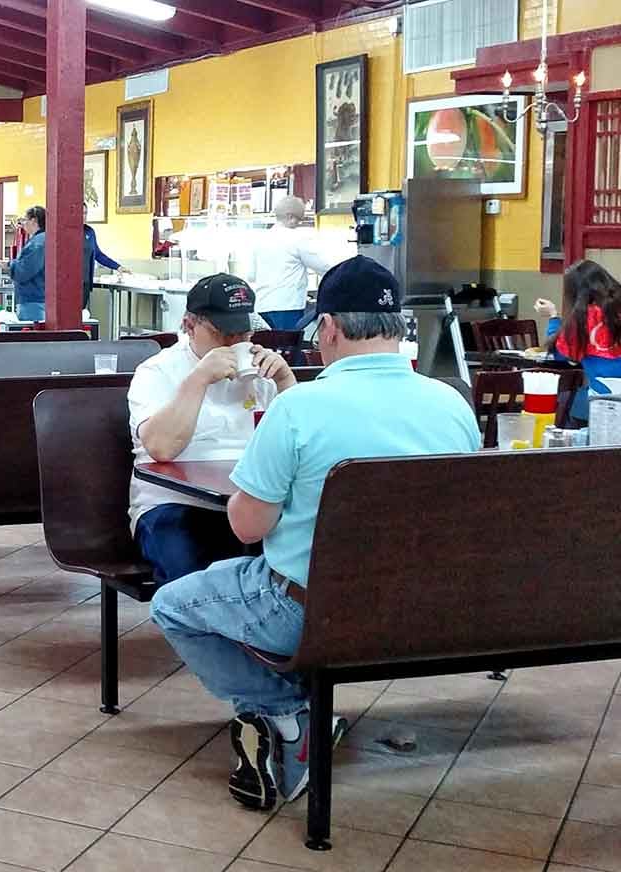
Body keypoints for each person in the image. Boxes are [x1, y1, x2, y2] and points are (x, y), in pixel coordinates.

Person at [151, 255, 482, 812]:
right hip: (430, 610)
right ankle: (300, 717)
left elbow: (246, 525)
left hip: (313, 611)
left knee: (173, 605)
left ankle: (285, 712)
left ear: (326, 328)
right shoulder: (451, 402)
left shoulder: (299, 409)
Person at [128, 273, 297, 586]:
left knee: (301, 563)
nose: (236, 343)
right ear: (189, 325)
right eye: (223, 333)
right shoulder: (156, 372)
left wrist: (286, 383)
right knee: (193, 583)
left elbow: (298, 444)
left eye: (243, 333)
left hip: (251, 503)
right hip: (175, 503)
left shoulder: (262, 374)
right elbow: (161, 448)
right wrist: (199, 379)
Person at [535, 259, 621, 420]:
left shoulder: (583, 318)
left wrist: (553, 317)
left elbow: (562, 354)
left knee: (568, 403)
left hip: (606, 402)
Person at [248, 196, 334, 329]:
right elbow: (323, 267)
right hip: (287, 306)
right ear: (290, 216)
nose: (299, 223)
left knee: (266, 347)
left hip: (262, 305)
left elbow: (251, 275)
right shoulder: (297, 238)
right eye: (299, 219)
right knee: (288, 347)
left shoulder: (260, 239)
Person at [83, 203, 130, 311]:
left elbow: (98, 254)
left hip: (85, 282)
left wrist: (118, 267)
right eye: (81, 213)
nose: (83, 216)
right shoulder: (68, 232)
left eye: (85, 213)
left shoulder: (90, 232)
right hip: (70, 283)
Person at [9, 205, 46, 322]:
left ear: (34, 220)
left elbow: (24, 271)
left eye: (25, 220)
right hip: (35, 298)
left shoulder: (38, 243)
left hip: (33, 301)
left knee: (32, 337)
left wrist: (9, 266)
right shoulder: (39, 240)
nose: (23, 223)